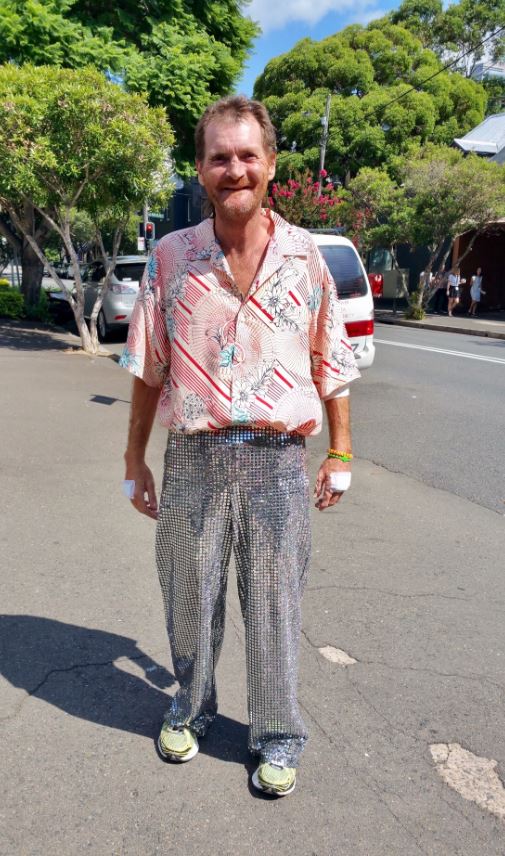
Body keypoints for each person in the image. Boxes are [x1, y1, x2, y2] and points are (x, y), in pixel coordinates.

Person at [120, 96, 360, 797]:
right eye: (219, 157)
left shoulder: (304, 257)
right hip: (192, 456)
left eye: (246, 155)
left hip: (276, 460)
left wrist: (340, 455)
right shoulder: (171, 258)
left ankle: (276, 736)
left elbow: (332, 367)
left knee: (275, 607)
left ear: (270, 164)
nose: (234, 169)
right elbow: (147, 369)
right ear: (200, 169)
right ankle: (189, 709)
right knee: (188, 598)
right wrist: (133, 461)